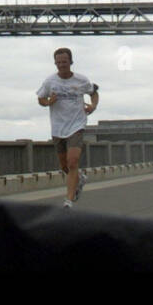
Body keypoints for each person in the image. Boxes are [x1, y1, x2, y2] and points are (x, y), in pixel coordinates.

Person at [36, 47, 98, 208]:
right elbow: (40, 98)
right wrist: (49, 102)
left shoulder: (81, 80)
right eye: (58, 62)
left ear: (71, 62)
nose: (62, 65)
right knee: (64, 166)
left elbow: (94, 92)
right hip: (58, 127)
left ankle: (68, 200)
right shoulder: (50, 82)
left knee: (72, 162)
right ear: (55, 63)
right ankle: (80, 178)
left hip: (77, 125)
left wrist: (93, 105)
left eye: (64, 62)